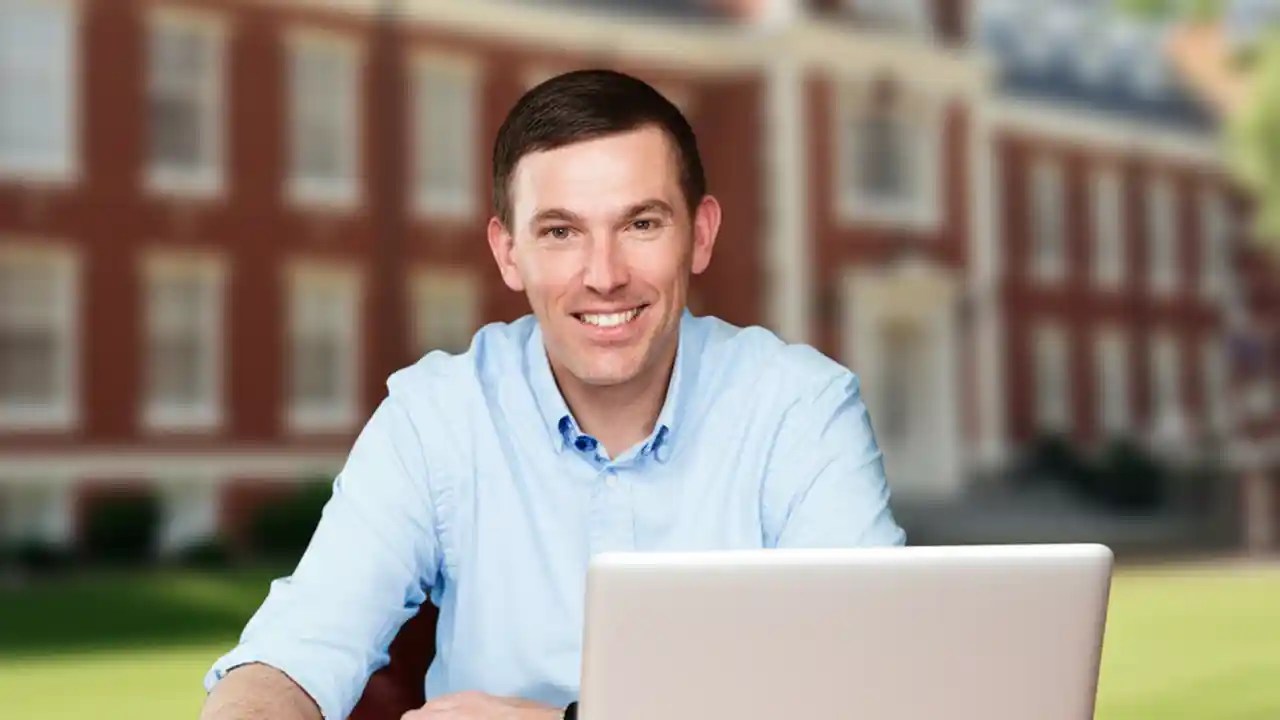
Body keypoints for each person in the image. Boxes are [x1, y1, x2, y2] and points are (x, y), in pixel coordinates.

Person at [201, 68, 905, 720]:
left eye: (641, 224)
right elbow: (293, 653)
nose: (604, 274)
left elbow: (870, 685)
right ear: (510, 253)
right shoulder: (435, 417)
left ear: (701, 234)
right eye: (561, 231)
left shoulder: (802, 410)